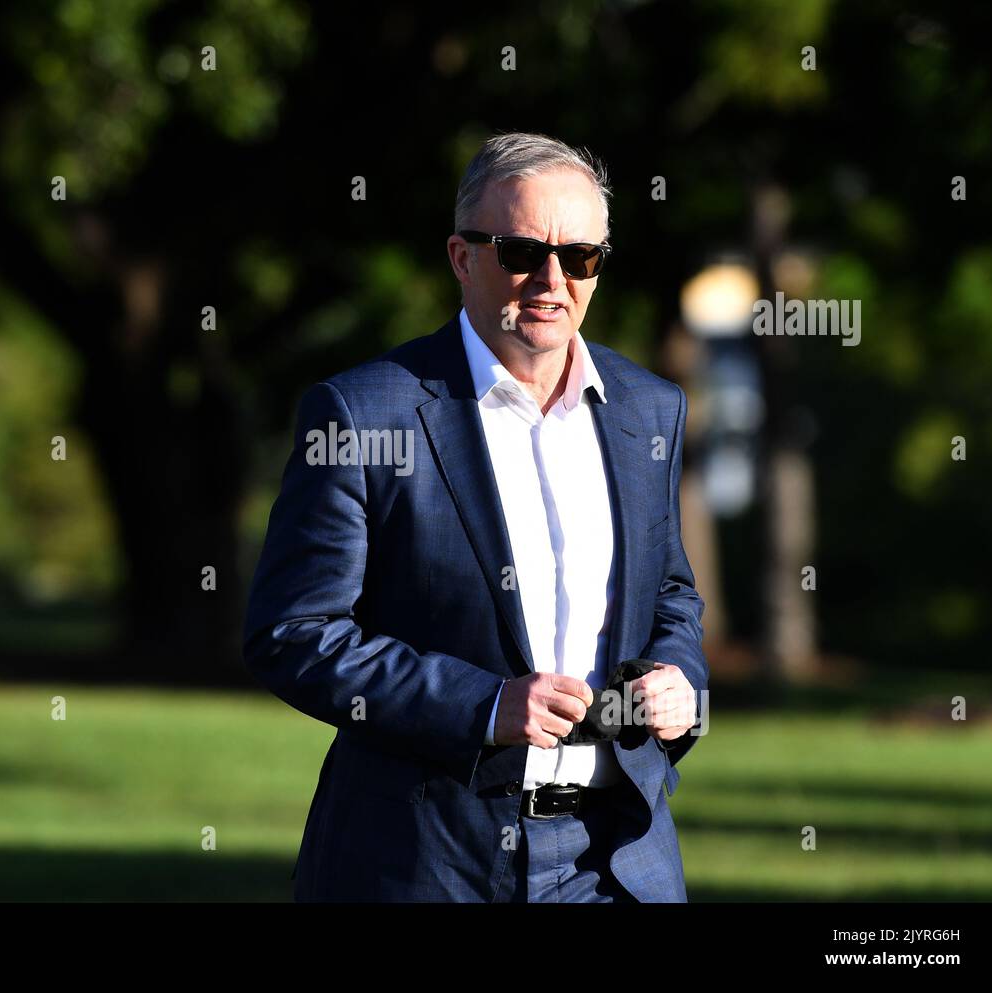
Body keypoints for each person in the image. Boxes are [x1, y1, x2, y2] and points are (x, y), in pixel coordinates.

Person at [243, 131, 707, 902]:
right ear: (462, 257)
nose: (552, 280)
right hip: (426, 857)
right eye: (521, 252)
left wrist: (679, 676)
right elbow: (294, 632)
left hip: (617, 854)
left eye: (581, 257)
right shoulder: (363, 413)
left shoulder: (651, 408)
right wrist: (484, 705)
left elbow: (671, 595)